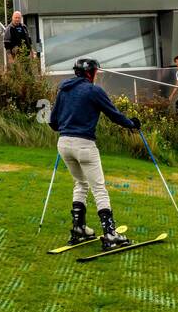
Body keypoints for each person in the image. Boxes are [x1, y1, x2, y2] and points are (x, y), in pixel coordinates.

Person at [48, 57, 142, 251]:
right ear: (90, 73)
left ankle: (79, 229)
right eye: (96, 72)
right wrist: (132, 124)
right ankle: (110, 235)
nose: (97, 75)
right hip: (84, 146)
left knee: (80, 184)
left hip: (64, 144)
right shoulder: (93, 90)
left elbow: (53, 122)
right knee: (99, 188)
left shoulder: (63, 89)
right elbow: (113, 114)